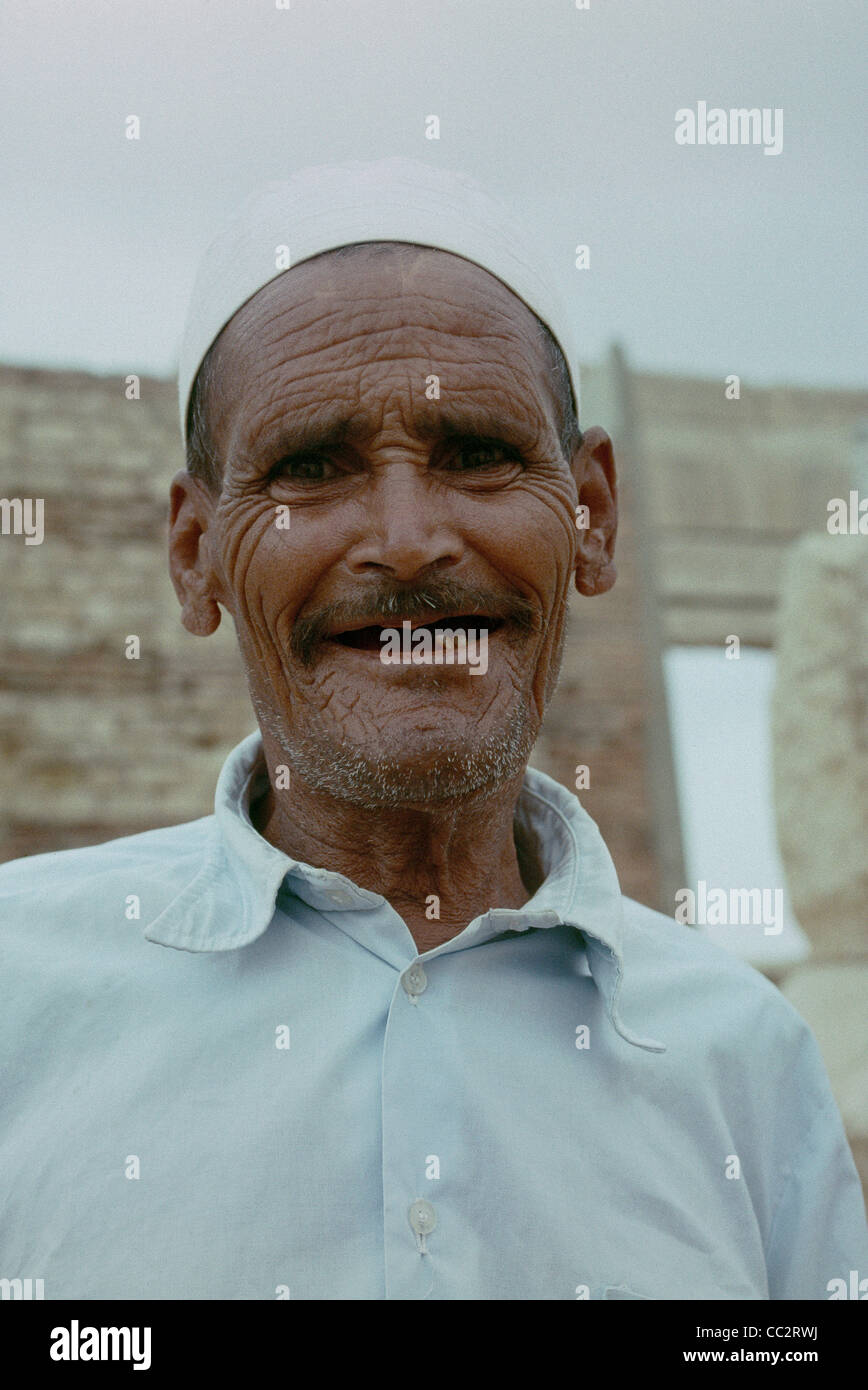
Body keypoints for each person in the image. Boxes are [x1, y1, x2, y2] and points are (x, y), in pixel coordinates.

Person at [1, 158, 865, 1300]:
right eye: (310, 468)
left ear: (592, 518)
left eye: (476, 455)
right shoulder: (20, 993)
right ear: (194, 552)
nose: (407, 541)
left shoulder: (745, 1063)